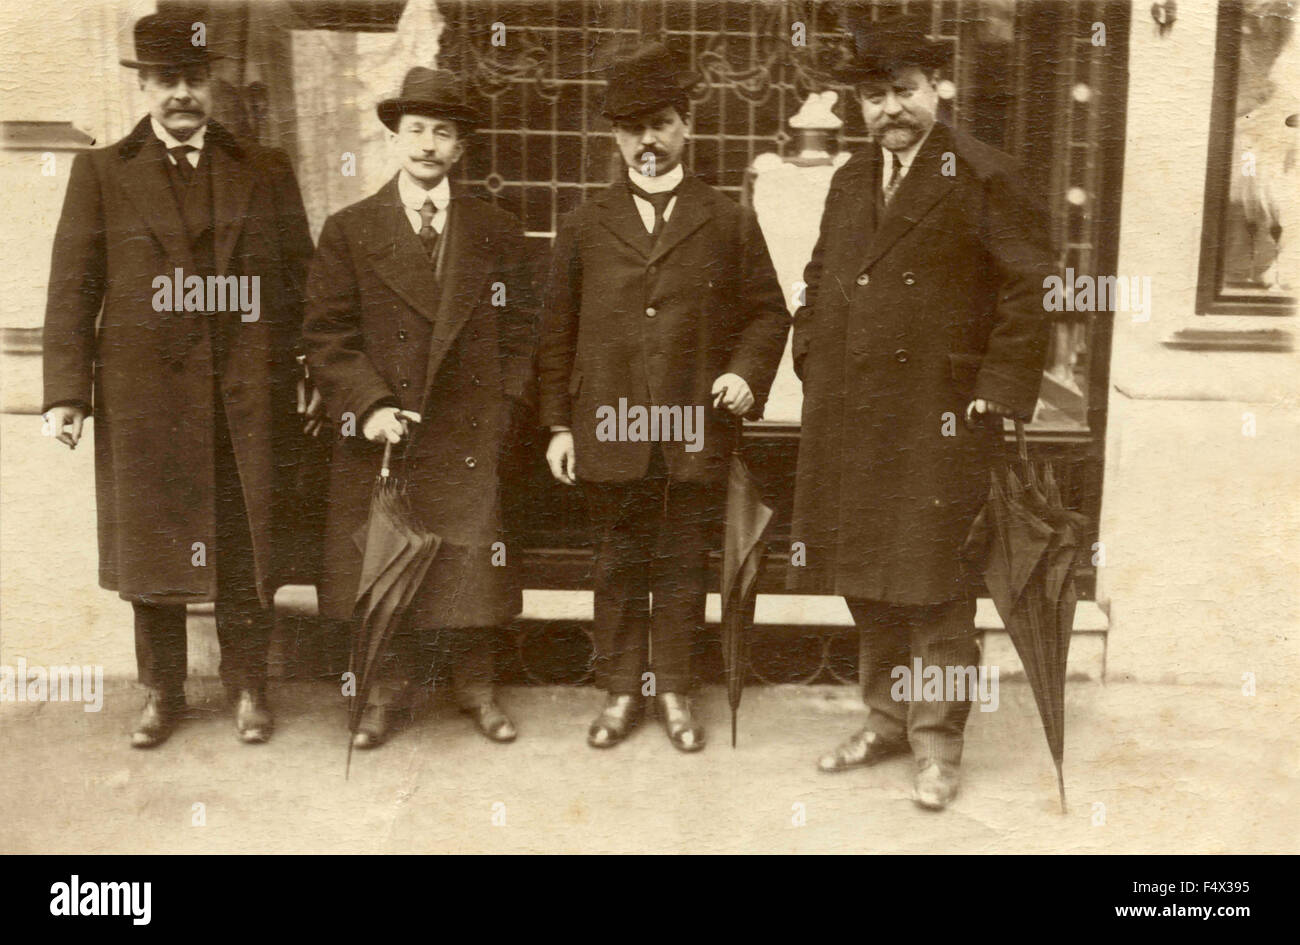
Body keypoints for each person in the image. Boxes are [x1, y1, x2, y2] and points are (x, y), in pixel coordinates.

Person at [788, 15, 1054, 810]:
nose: (889, 111)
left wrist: (1000, 391)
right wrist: (811, 354)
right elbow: (820, 273)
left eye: (903, 91)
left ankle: (938, 741)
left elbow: (1031, 290)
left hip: (941, 416)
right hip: (851, 411)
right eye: (873, 97)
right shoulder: (847, 179)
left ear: (940, 87)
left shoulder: (984, 175)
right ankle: (886, 717)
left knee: (935, 583)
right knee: (866, 573)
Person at [42, 12, 317, 748]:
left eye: (194, 80)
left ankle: (250, 687)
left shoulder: (264, 168)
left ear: (213, 82)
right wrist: (67, 394)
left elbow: (303, 282)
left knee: (242, 543)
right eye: (167, 82)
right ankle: (162, 692)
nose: (182, 96)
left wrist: (308, 369)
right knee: (154, 550)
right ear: (146, 87)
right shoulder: (101, 172)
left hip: (244, 397)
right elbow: (74, 285)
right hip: (145, 399)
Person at [537, 43, 789, 752]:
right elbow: (554, 331)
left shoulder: (728, 218)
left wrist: (745, 372)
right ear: (615, 138)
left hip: (692, 429)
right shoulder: (584, 224)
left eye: (660, 124)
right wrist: (558, 425)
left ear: (687, 127)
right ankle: (621, 690)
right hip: (608, 425)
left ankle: (674, 688)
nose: (646, 141)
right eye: (630, 128)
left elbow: (770, 312)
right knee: (617, 560)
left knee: (682, 560)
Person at [303, 67, 537, 750]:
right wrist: (370, 404)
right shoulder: (349, 230)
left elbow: (525, 328)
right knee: (386, 558)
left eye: (443, 131)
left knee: (471, 559)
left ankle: (477, 687)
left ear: (460, 148)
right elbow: (325, 333)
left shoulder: (497, 230)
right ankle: (382, 689)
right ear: (394, 139)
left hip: (469, 427)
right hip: (386, 431)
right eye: (416, 130)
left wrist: (507, 407)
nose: (428, 144)